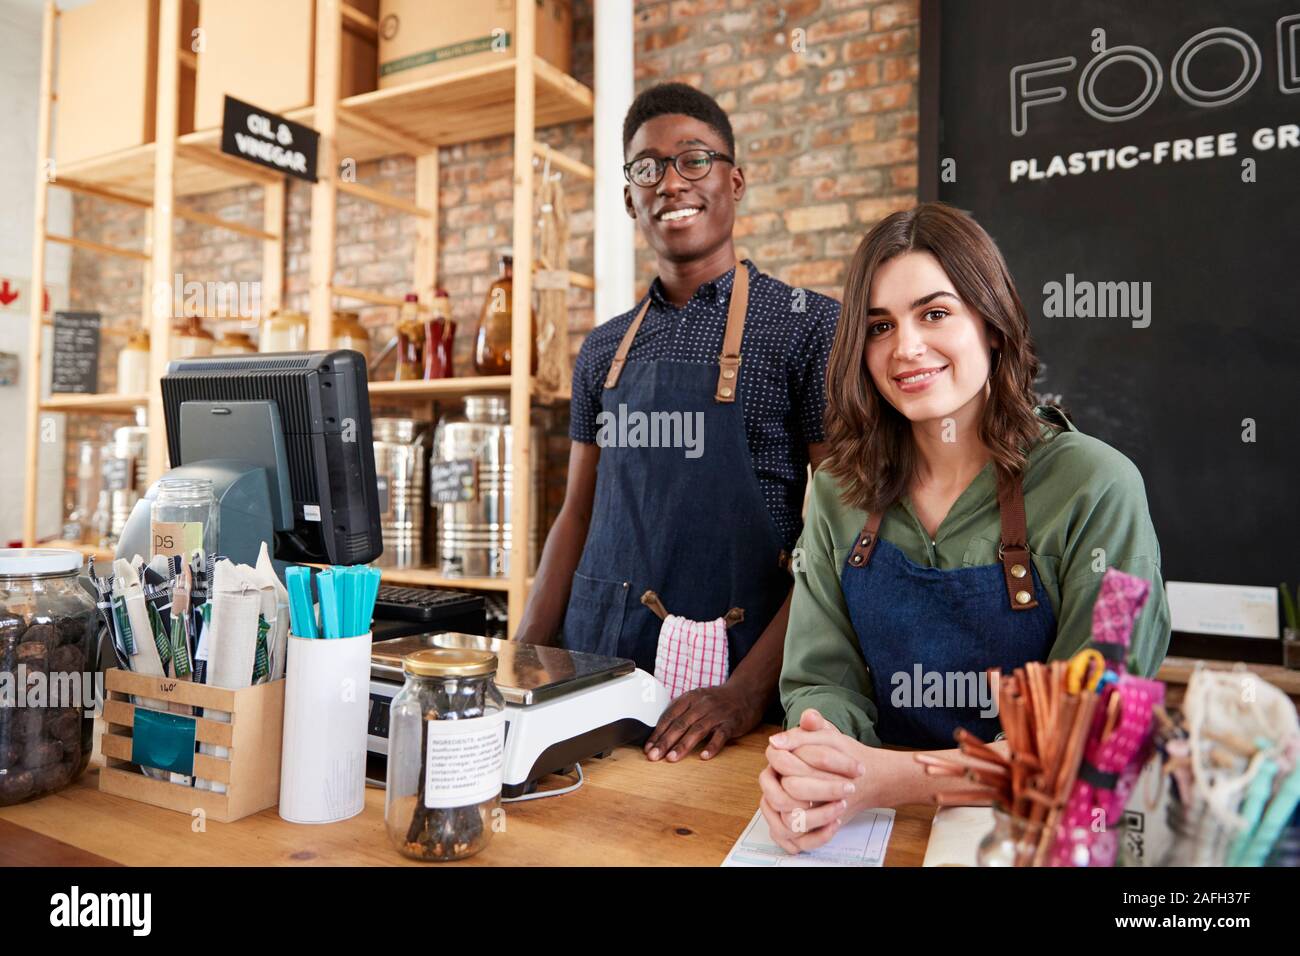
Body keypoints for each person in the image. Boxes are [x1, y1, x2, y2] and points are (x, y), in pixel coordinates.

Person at [759, 203, 1170, 853]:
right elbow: (820, 678)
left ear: (993, 324)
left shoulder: (1100, 486)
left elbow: (1096, 731)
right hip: (877, 830)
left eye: (935, 313)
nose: (907, 347)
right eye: (879, 326)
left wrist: (890, 778)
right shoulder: (840, 490)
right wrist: (820, 762)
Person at [517, 82, 839, 762]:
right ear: (628, 195)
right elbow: (576, 516)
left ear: (735, 179)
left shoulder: (805, 328)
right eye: (646, 167)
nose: (669, 181)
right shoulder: (601, 350)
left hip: (731, 694)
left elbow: (841, 536)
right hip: (594, 674)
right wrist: (516, 667)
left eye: (693, 159)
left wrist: (747, 695)